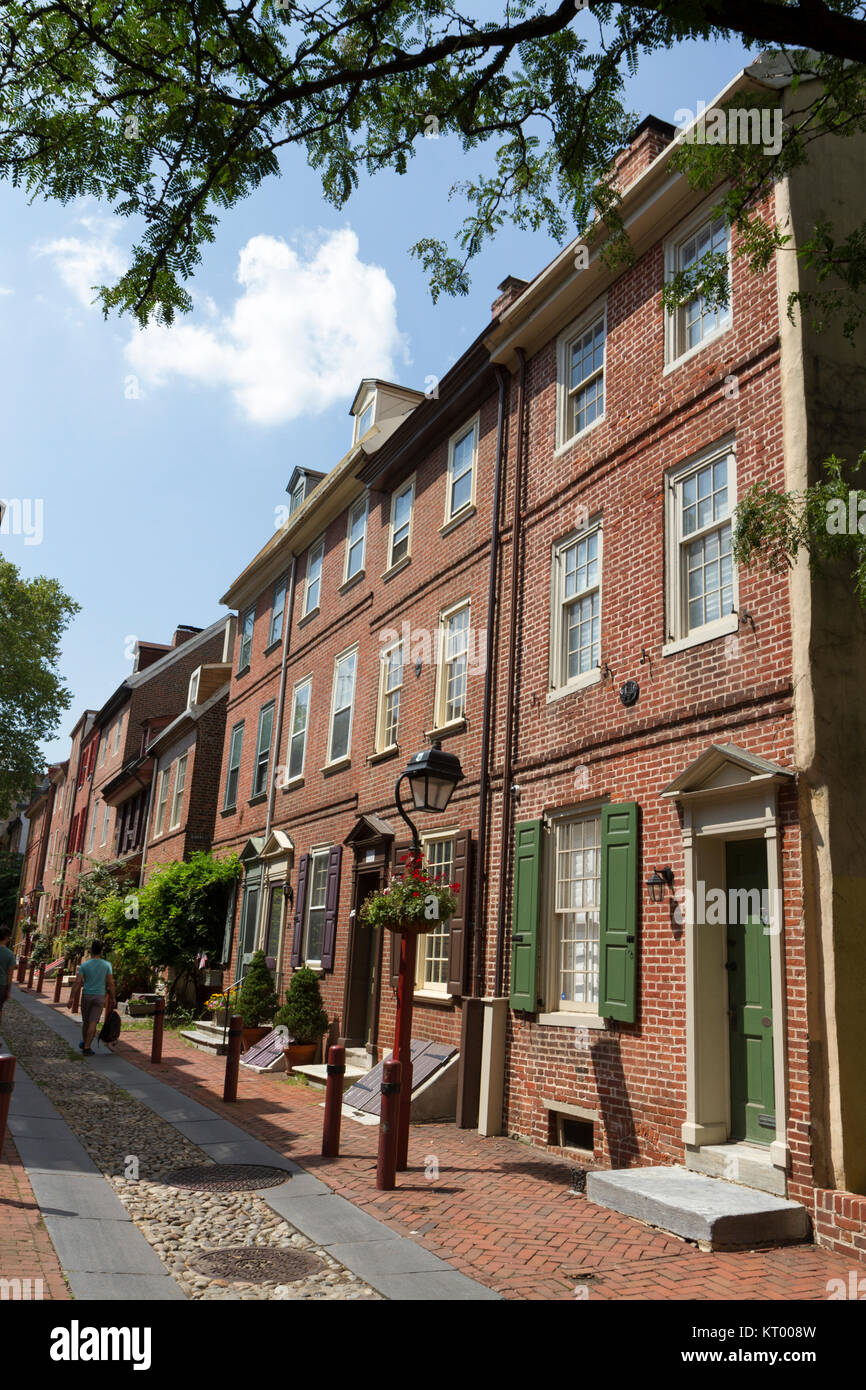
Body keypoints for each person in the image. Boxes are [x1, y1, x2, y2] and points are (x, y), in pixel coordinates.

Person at [77, 939, 115, 1056]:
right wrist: (113, 997)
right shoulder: (107, 965)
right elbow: (110, 982)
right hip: (99, 996)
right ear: (101, 950)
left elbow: (78, 982)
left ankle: (85, 1043)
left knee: (86, 1022)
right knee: (93, 1022)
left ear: (91, 950)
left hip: (87, 995)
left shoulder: (84, 965)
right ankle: (87, 1046)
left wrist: (71, 998)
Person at [0, 925, 15, 1026]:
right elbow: (10, 975)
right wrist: (8, 990)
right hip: (1, 984)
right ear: (7, 937)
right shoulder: (10, 954)